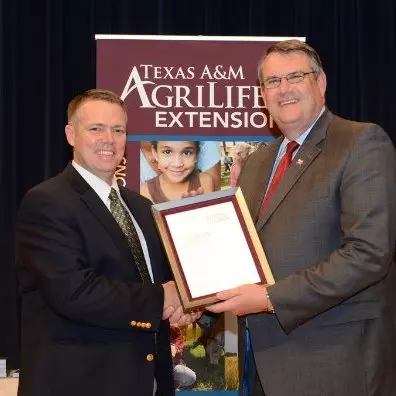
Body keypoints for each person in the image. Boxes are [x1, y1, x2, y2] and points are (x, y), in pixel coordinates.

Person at [206, 40, 396, 395]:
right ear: (262, 94)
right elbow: (245, 253)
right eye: (272, 82)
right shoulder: (259, 162)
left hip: (337, 360)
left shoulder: (360, 142)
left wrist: (269, 298)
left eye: (295, 77)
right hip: (266, 361)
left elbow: (369, 254)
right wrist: (198, 300)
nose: (284, 89)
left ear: (320, 83)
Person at [15, 89, 199, 396]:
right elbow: (74, 291)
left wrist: (192, 300)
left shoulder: (140, 207)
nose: (109, 139)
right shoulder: (47, 202)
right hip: (77, 385)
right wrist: (163, 299)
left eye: (118, 130)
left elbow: (165, 280)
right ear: (71, 134)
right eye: (96, 129)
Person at [140, 141, 215, 203]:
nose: (177, 164)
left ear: (197, 155)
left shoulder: (205, 181)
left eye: (186, 153)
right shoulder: (144, 192)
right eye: (167, 152)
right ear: (155, 153)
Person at [170, 325, 196, 390]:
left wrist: (173, 347)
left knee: (190, 377)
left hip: (168, 365)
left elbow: (177, 342)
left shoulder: (173, 328)